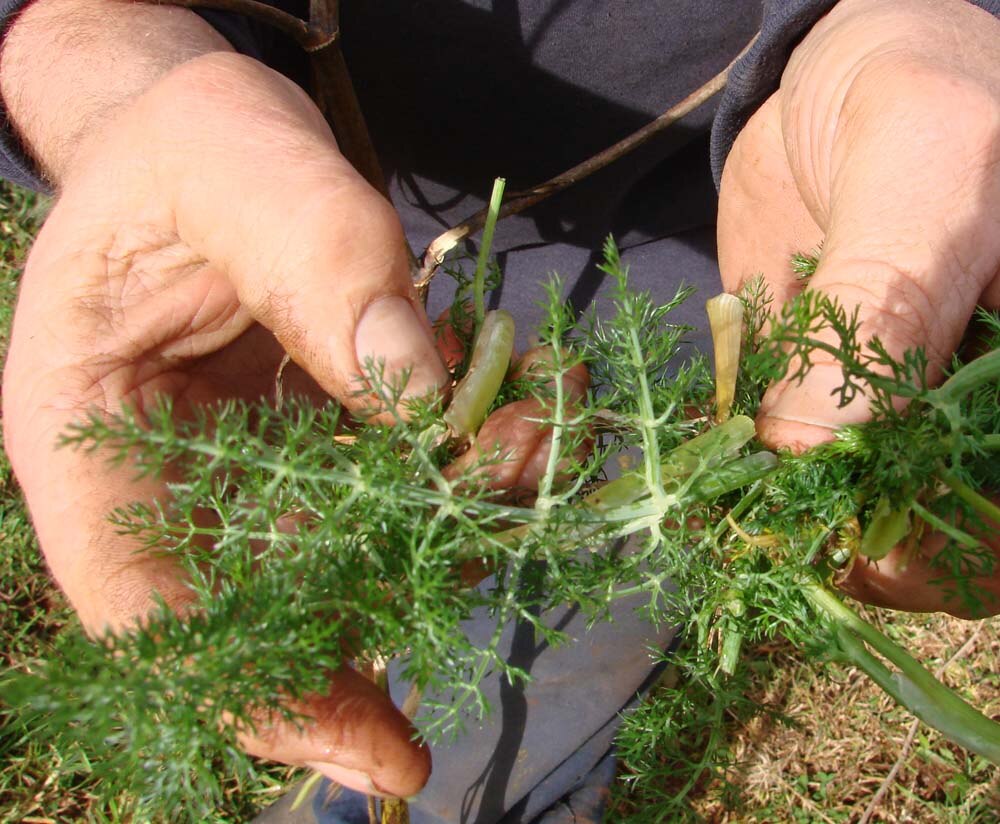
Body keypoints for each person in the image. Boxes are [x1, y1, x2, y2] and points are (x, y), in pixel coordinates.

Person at [1, 0, 998, 820]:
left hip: (769, 214)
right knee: (443, 623)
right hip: (298, 224)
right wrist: (126, 85)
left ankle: (481, 789)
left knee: (569, 630)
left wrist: (950, 22)